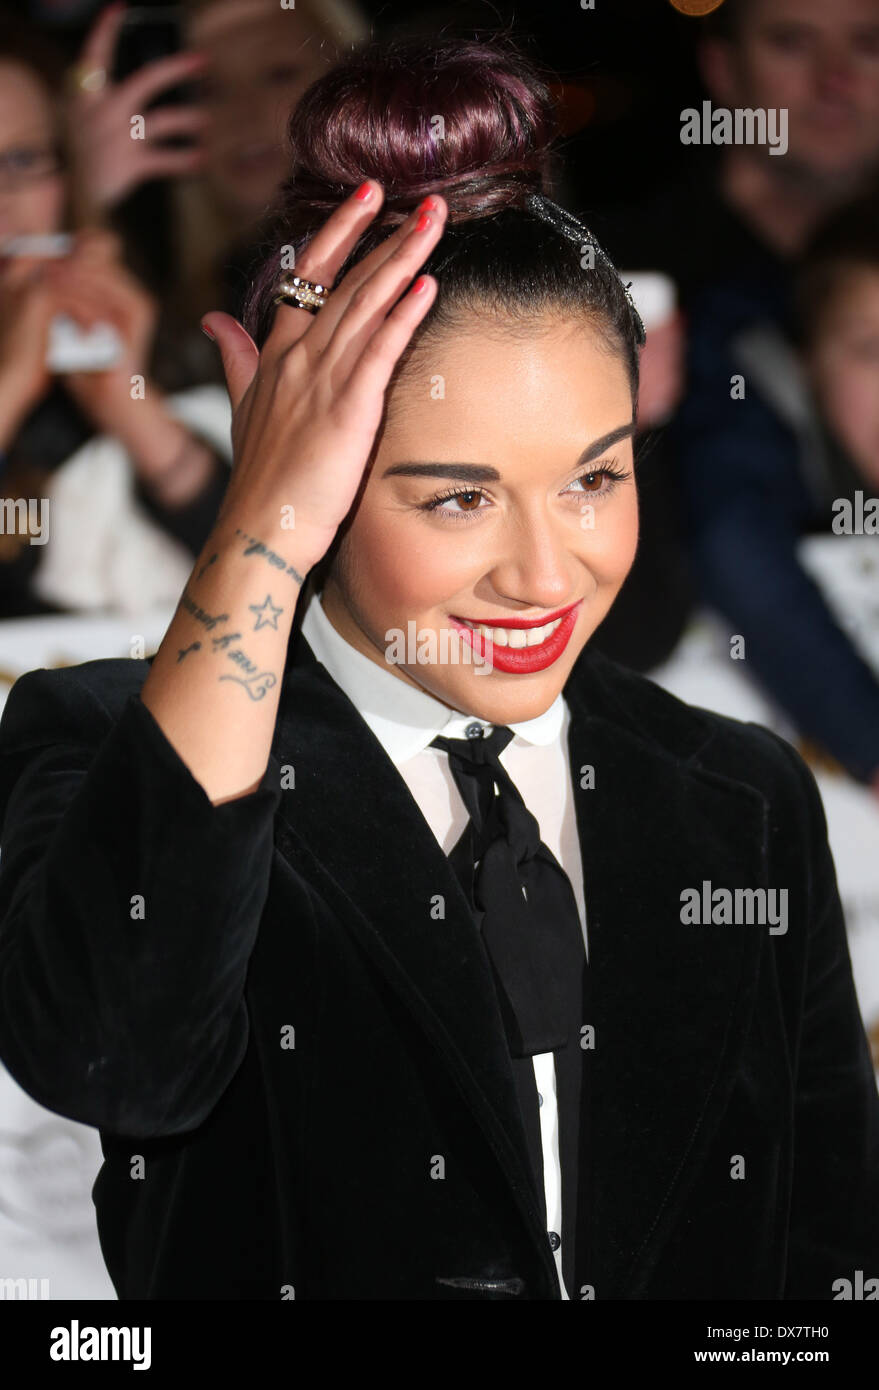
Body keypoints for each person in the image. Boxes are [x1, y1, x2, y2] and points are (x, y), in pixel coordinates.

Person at [0, 36, 877, 1301]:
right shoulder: (103, 746)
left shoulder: (738, 798)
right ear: (314, 478)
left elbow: (825, 1260)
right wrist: (256, 533)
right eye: (458, 499)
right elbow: (119, 1063)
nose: (544, 572)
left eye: (596, 476)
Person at [0, 14, 232, 616]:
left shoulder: (130, 324)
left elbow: (276, 591)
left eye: (23, 160)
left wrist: (129, 405)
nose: (2, 198)